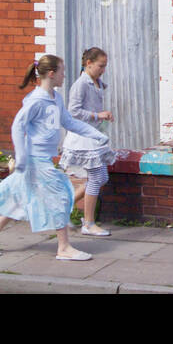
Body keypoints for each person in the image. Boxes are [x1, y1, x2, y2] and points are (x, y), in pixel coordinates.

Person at [0, 54, 109, 261]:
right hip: (35, 160)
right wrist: (22, 156)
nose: (64, 75)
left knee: (20, 196)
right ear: (51, 74)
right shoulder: (36, 100)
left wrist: (96, 134)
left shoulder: (55, 98)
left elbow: (69, 122)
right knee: (60, 197)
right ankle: (63, 247)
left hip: (42, 159)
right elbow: (18, 126)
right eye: (62, 71)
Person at [60, 46, 118, 237]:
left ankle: (63, 207)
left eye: (105, 66)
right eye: (101, 66)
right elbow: (73, 111)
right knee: (96, 178)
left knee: (101, 178)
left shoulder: (96, 82)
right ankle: (88, 223)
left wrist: (102, 116)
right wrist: (97, 114)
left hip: (93, 136)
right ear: (89, 63)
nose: (103, 70)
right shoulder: (81, 84)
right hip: (83, 138)